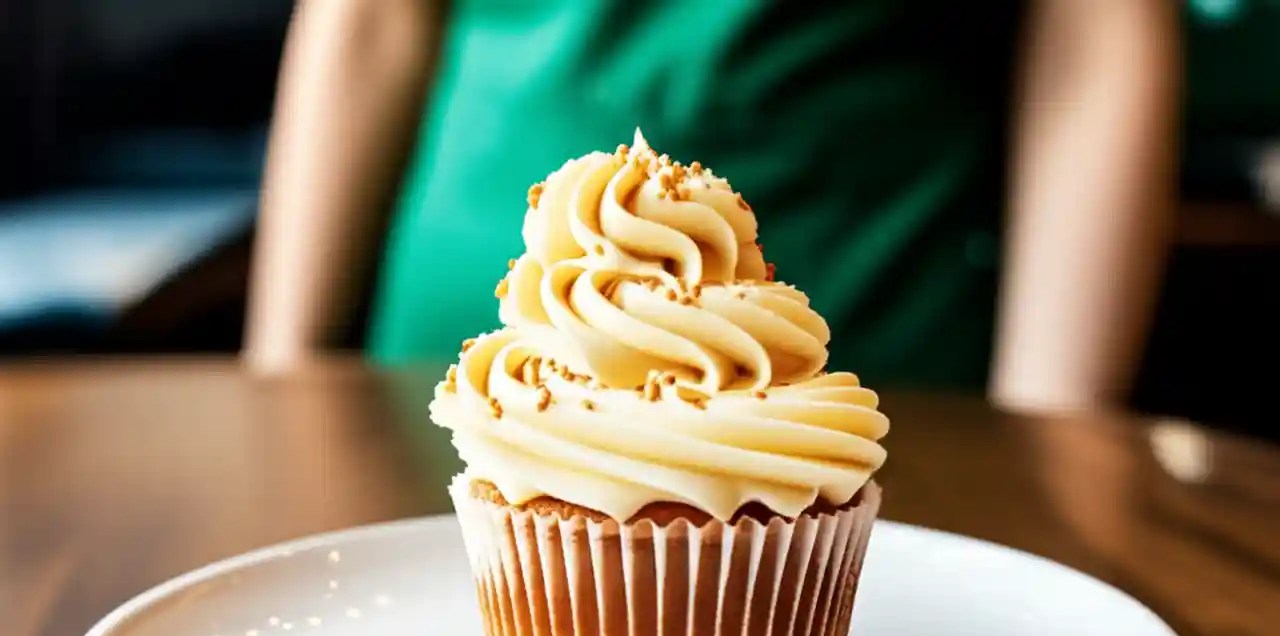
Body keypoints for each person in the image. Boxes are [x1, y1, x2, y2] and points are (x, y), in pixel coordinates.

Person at [245, 0, 1178, 411]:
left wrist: (1054, 431)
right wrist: (281, 379)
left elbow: (1094, 26)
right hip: (446, 371)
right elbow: (368, 18)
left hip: (866, 368)